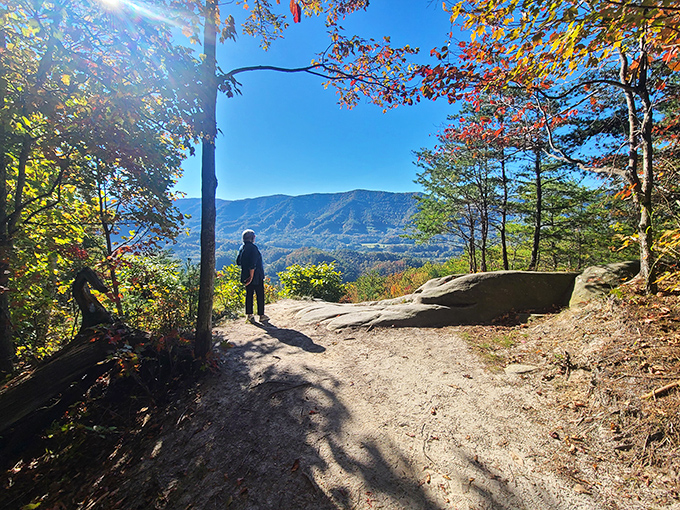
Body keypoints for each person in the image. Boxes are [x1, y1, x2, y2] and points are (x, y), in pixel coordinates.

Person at [236, 229, 268, 323]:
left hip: (245, 275)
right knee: (259, 295)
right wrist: (251, 276)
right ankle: (261, 315)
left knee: (249, 295)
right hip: (256, 276)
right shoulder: (253, 248)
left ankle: (249, 315)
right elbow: (253, 264)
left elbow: (238, 262)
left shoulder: (242, 248)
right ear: (252, 238)